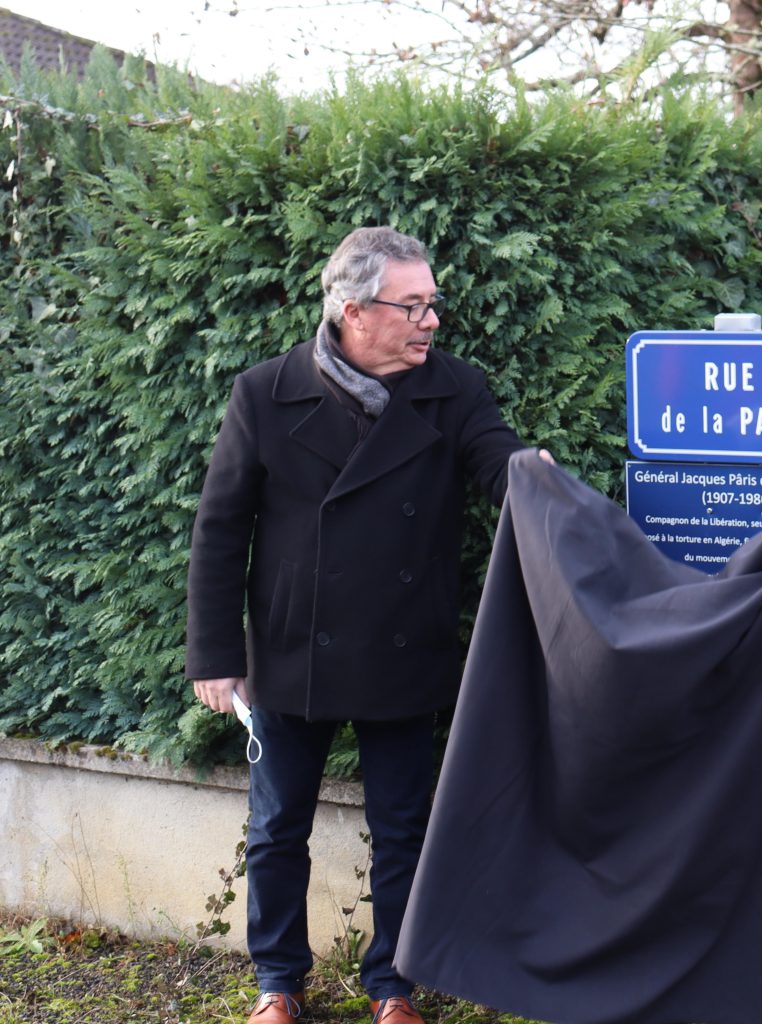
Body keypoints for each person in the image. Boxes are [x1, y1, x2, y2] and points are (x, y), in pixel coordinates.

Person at [185, 226, 527, 1024]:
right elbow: (220, 529)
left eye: (432, 303)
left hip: (405, 642)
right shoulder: (264, 393)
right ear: (353, 311)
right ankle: (277, 982)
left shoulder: (454, 389)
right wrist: (215, 653)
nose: (430, 321)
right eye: (413, 305)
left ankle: (393, 987)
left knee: (402, 828)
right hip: (292, 651)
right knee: (277, 827)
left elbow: (498, 462)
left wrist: (538, 481)